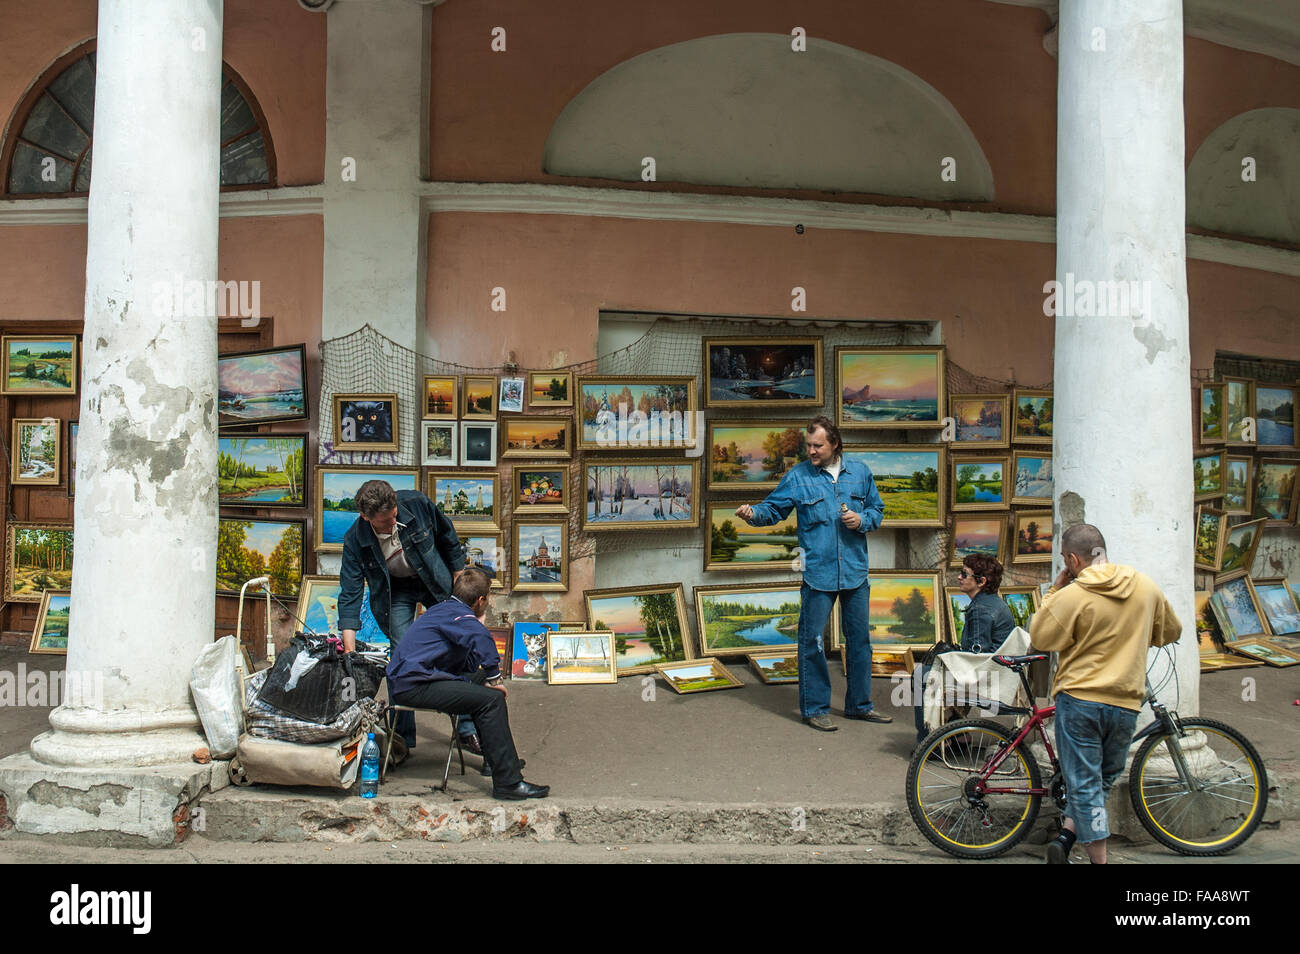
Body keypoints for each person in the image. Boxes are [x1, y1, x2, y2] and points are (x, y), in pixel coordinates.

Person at [1029, 524, 1181, 864]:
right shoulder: (1145, 586)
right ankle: (1067, 837)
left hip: (1080, 701)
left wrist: (1054, 590)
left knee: (1083, 784)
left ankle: (1099, 861)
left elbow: (1040, 636)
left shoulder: (1072, 596)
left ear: (1071, 559)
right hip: (1125, 701)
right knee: (1103, 779)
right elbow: (1171, 630)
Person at [734, 415, 887, 731]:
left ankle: (859, 706)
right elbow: (772, 510)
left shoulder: (860, 473)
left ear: (835, 444)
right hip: (818, 573)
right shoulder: (798, 477)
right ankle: (815, 708)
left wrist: (863, 520)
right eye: (808, 445)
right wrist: (752, 514)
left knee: (859, 641)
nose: (811, 451)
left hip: (855, 572)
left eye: (818, 445)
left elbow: (877, 510)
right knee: (812, 640)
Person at [338, 479, 481, 756]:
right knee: (403, 655)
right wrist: (350, 650)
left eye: (394, 515)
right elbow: (350, 593)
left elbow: (448, 538)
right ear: (366, 517)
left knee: (459, 642)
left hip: (433, 580)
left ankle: (466, 728)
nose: (394, 522)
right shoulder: (355, 539)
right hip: (395, 591)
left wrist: (459, 589)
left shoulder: (415, 504)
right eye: (385, 521)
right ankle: (402, 738)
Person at [388, 566, 548, 800]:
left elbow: (470, 663)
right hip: (414, 685)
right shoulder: (461, 616)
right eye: (488, 599)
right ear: (481, 600)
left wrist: (485, 674)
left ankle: (494, 761)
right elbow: (482, 641)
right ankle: (508, 783)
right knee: (491, 700)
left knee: (480, 682)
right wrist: (495, 678)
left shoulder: (445, 609)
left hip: (416, 678)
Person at [913, 553, 1016, 744]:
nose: (959, 577)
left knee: (921, 675)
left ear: (981, 581)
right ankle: (959, 735)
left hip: (988, 676)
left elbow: (977, 656)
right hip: (999, 671)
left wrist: (948, 657)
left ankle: (928, 742)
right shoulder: (990, 602)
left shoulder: (981, 609)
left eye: (964, 574)